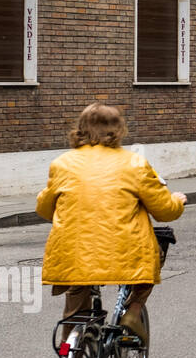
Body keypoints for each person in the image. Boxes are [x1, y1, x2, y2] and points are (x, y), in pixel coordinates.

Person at [37, 103, 186, 345]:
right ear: (118, 130)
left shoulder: (62, 163)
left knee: (78, 295)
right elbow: (164, 211)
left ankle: (71, 356)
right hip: (125, 252)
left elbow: (44, 209)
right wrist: (177, 201)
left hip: (74, 253)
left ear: (81, 129)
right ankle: (133, 312)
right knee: (155, 255)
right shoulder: (134, 164)